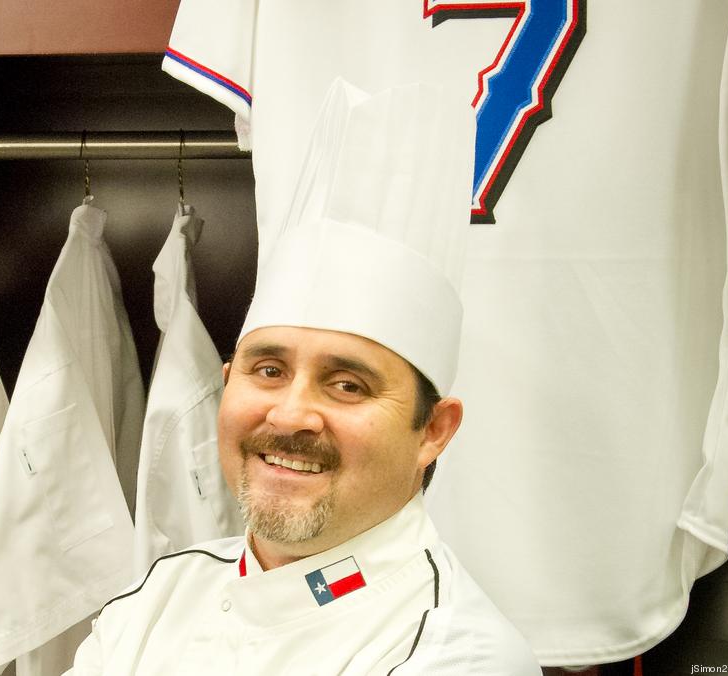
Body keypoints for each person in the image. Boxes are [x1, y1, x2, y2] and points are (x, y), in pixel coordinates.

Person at [64, 78, 541, 675]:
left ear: (433, 431)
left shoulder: (454, 656)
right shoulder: (156, 601)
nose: (289, 415)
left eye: (348, 385)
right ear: (226, 379)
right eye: (268, 369)